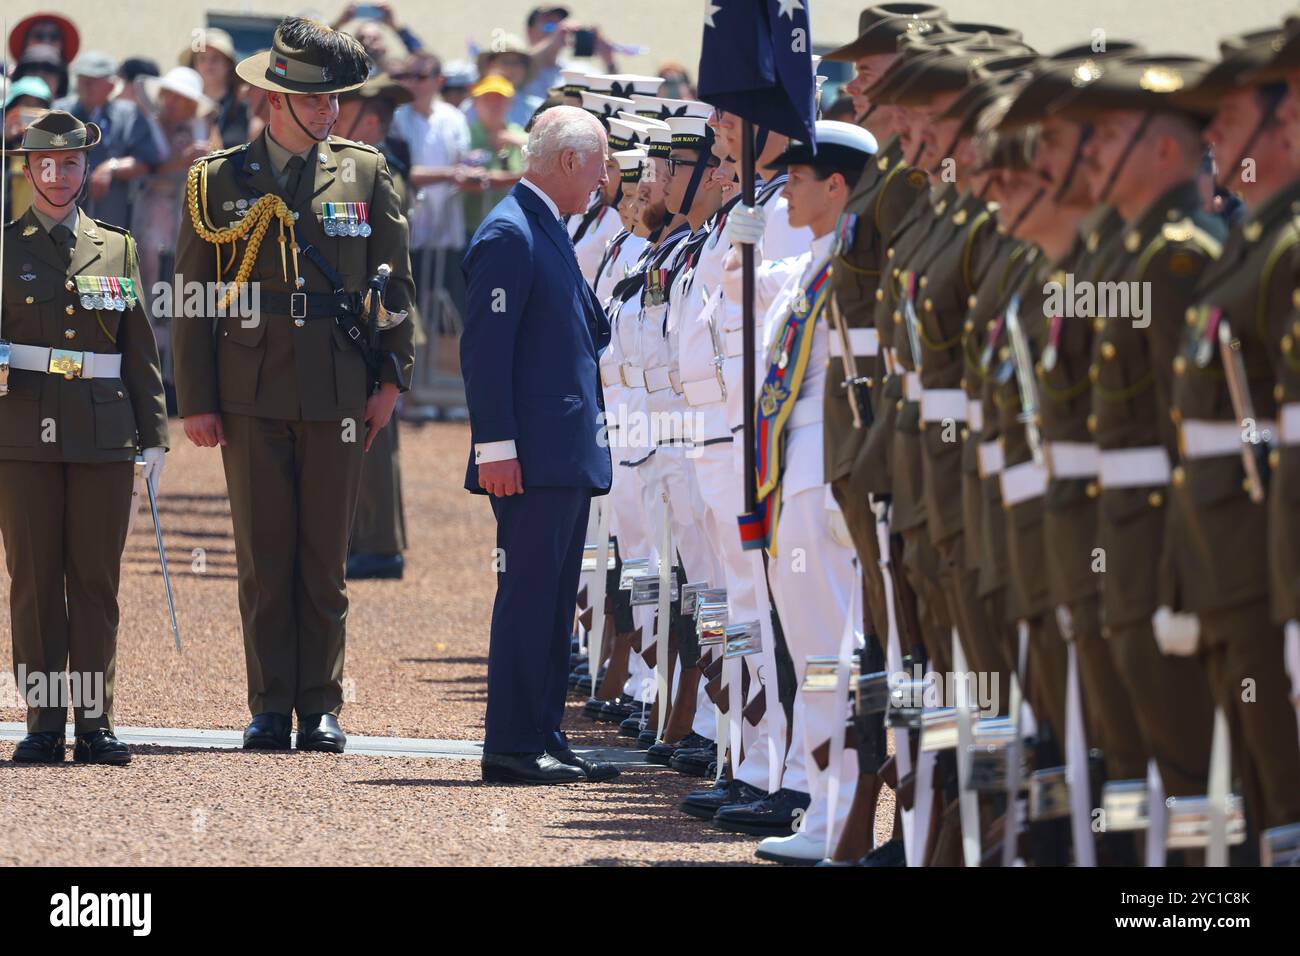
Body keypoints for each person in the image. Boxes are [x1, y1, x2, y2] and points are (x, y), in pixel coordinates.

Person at [171, 16, 416, 754]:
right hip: (248, 389)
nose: (330, 112)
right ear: (274, 100)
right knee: (263, 554)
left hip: (340, 385)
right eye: (315, 101)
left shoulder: (366, 172)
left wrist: (393, 378)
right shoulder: (216, 181)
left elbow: (395, 284)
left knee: (323, 558)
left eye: (336, 99)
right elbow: (191, 297)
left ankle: (322, 705)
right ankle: (271, 704)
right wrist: (198, 397)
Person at [0, 110, 168, 766]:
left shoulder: (117, 247)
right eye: (47, 163)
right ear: (29, 169)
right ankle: (43, 723)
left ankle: (94, 722)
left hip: (103, 429)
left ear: (85, 170)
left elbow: (139, 349)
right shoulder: (6, 248)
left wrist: (153, 437)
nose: (59, 174)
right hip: (23, 432)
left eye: (71, 163)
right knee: (36, 580)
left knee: (95, 580)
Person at [460, 104, 619, 785]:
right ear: (569, 162)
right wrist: (495, 445)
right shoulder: (511, 233)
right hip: (530, 456)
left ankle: (543, 733)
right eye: (601, 162)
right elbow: (484, 351)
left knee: (554, 600)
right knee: (529, 596)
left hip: (559, 453)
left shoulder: (542, 225)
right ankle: (512, 745)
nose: (606, 177)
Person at [339, 74, 419, 581]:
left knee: (370, 435)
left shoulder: (375, 171)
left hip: (374, 320)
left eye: (342, 107)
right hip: (367, 318)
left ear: (367, 119)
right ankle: (374, 538)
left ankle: (378, 543)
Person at [54, 51, 160, 230]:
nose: (86, 85)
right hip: (63, 209)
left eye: (94, 80)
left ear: (111, 85)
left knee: (108, 252)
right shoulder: (60, 111)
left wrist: (111, 168)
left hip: (110, 212)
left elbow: (146, 160)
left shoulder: (129, 114)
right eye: (82, 78)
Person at [180, 28, 250, 148]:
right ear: (194, 65)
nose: (208, 65)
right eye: (202, 58)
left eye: (215, 58)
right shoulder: (183, 105)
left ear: (228, 65)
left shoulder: (246, 107)